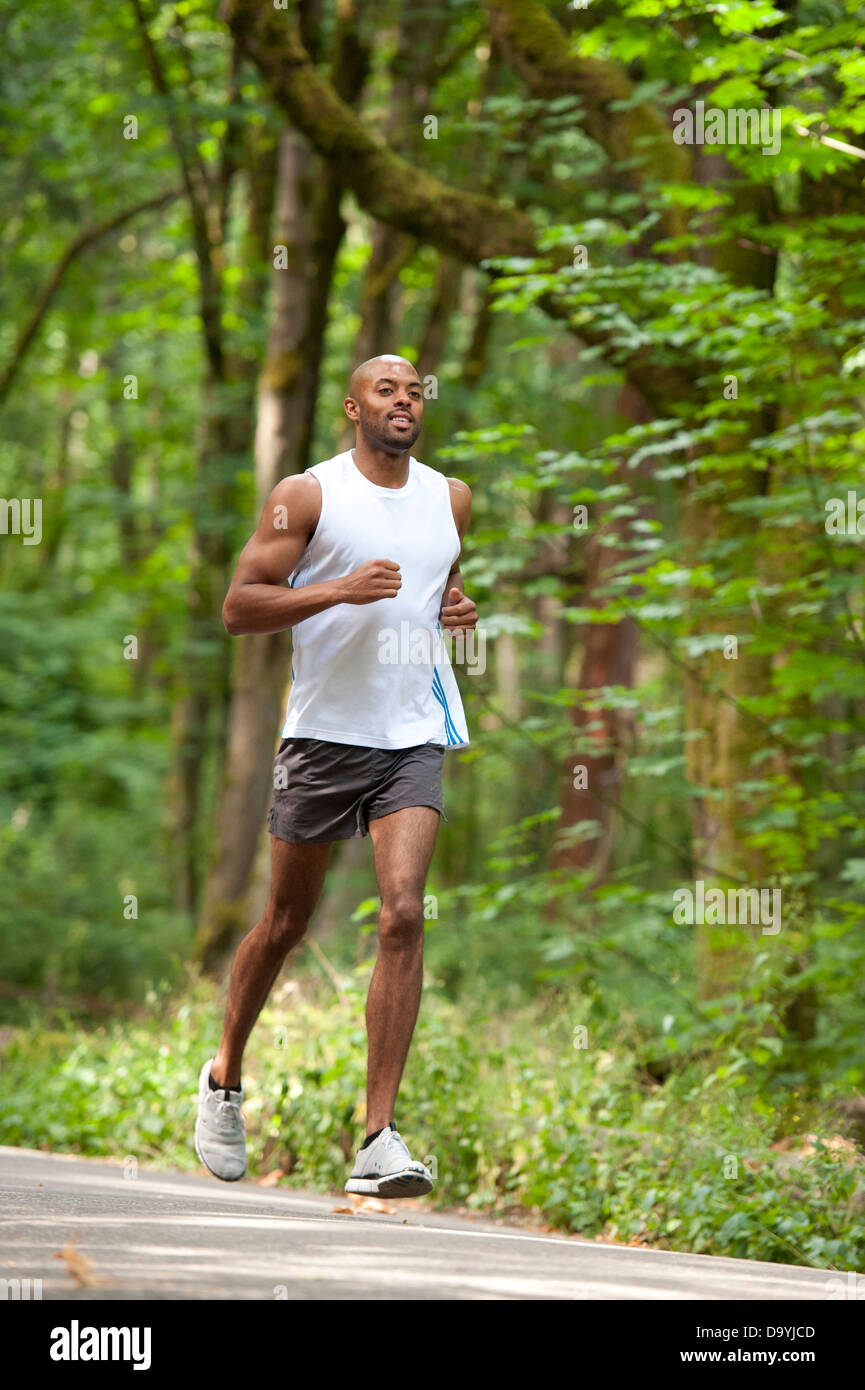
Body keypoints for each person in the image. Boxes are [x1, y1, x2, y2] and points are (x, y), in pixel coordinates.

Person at [194, 353, 477, 1196]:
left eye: (415, 390)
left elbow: (441, 583)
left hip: (413, 731)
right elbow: (240, 606)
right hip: (323, 733)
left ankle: (377, 1136)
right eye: (386, 390)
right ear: (354, 406)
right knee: (286, 921)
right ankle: (223, 1078)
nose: (404, 400)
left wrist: (457, 607)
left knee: (401, 913)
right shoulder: (306, 494)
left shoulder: (451, 497)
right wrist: (337, 592)